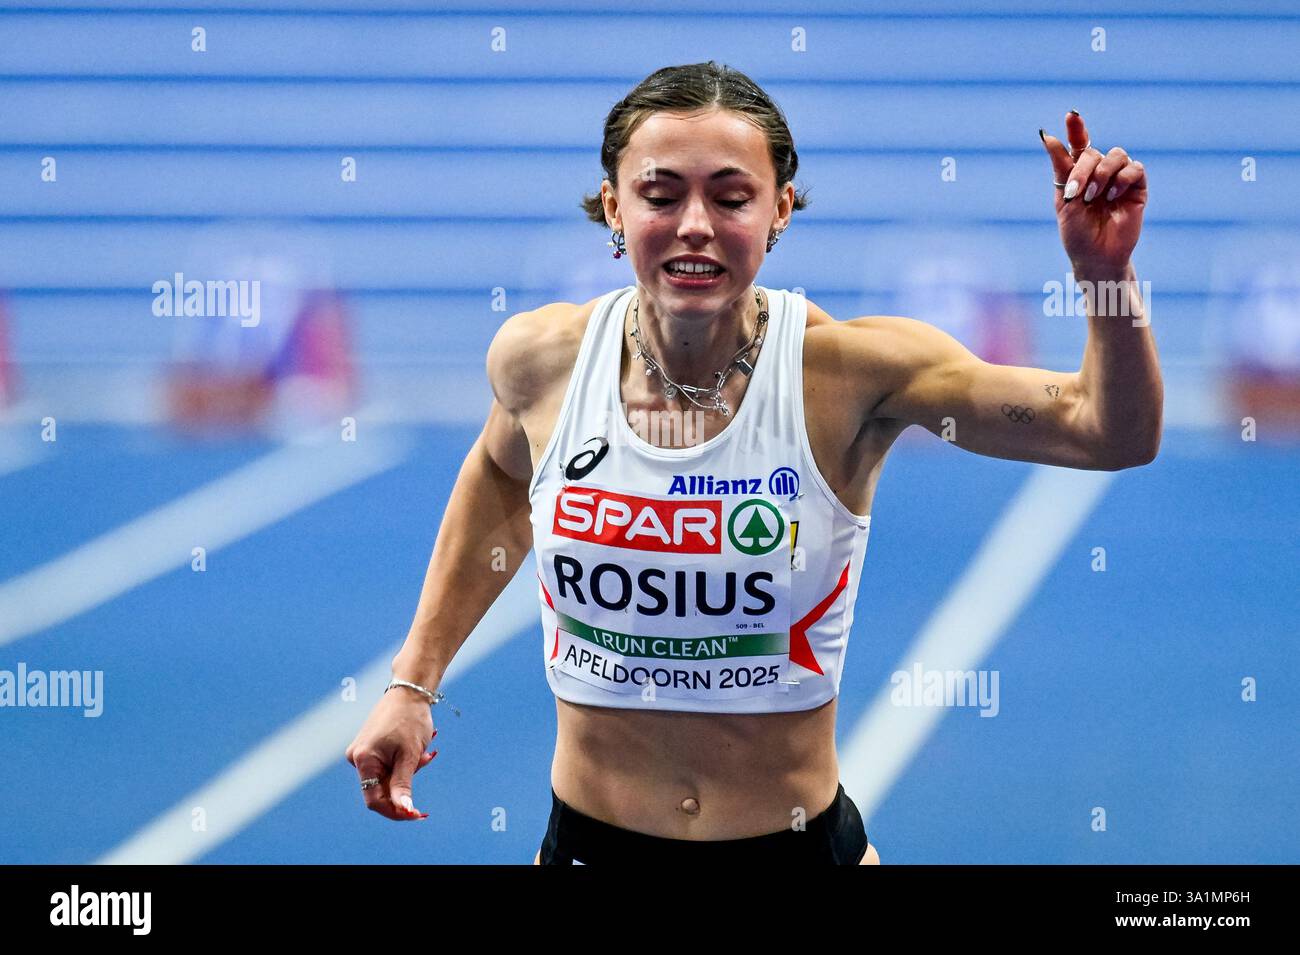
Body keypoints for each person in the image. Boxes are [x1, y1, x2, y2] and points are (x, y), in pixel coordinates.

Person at [345, 62, 1162, 865]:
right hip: (590, 843)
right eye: (660, 196)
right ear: (613, 210)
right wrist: (411, 684)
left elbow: (1107, 432)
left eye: (731, 198)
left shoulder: (849, 375)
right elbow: (498, 476)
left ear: (782, 212)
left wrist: (1107, 279)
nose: (694, 224)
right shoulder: (542, 360)